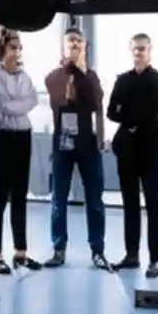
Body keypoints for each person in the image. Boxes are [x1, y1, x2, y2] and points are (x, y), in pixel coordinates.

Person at [42, 27, 108, 269]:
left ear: (85, 46)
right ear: (63, 47)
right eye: (70, 42)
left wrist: (81, 71)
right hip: (63, 144)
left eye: (78, 42)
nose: (74, 45)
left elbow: (95, 102)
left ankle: (97, 250)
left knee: (95, 199)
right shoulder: (53, 77)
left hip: (88, 144)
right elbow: (63, 102)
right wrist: (71, 73)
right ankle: (58, 249)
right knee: (58, 199)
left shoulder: (91, 77)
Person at [106, 33, 158, 277]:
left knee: (154, 204)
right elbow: (112, 111)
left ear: (150, 50)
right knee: (129, 203)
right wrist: (132, 117)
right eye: (135, 49)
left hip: (150, 148)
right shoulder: (122, 80)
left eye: (142, 48)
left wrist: (128, 114)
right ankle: (131, 254)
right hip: (127, 149)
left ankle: (155, 259)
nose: (138, 52)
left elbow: (150, 111)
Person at [0, 29, 41, 275]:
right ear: (3, 50)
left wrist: (16, 105)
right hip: (3, 135)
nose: (17, 52)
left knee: (20, 193)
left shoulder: (25, 76)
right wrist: (18, 105)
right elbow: (2, 105)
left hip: (23, 135)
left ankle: (21, 251)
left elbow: (33, 100)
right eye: (13, 47)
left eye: (19, 48)